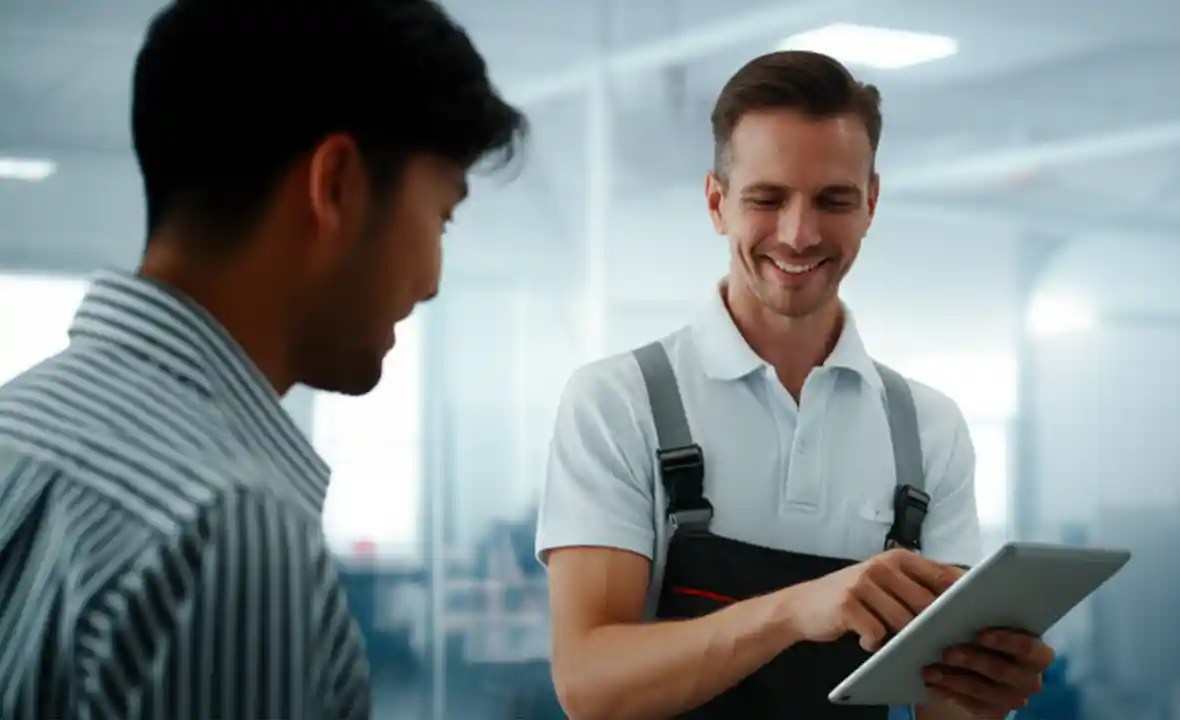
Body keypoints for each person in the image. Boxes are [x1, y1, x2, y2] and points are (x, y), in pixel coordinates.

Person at [0, 1, 524, 718]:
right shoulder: (222, 526)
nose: (432, 280)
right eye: (441, 216)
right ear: (334, 186)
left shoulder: (17, 424)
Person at [536, 51, 1053, 719]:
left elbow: (944, 711)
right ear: (717, 203)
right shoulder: (620, 403)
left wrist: (986, 690)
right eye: (768, 198)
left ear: (870, 203)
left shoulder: (926, 433)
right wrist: (793, 611)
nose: (798, 234)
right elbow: (590, 687)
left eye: (833, 200)